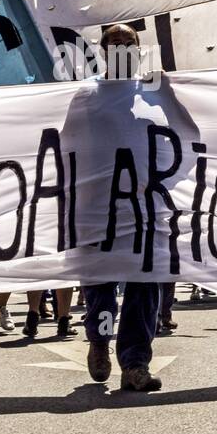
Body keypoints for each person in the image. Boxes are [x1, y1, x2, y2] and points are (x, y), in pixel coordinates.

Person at [83, 24, 163, 391]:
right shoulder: (87, 95)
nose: (120, 49)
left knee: (145, 282)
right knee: (100, 281)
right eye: (114, 44)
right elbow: (67, 144)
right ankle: (99, 341)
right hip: (98, 206)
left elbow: (181, 135)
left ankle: (135, 363)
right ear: (102, 51)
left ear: (138, 50)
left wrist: (168, 95)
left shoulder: (154, 92)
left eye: (127, 43)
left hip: (145, 205)